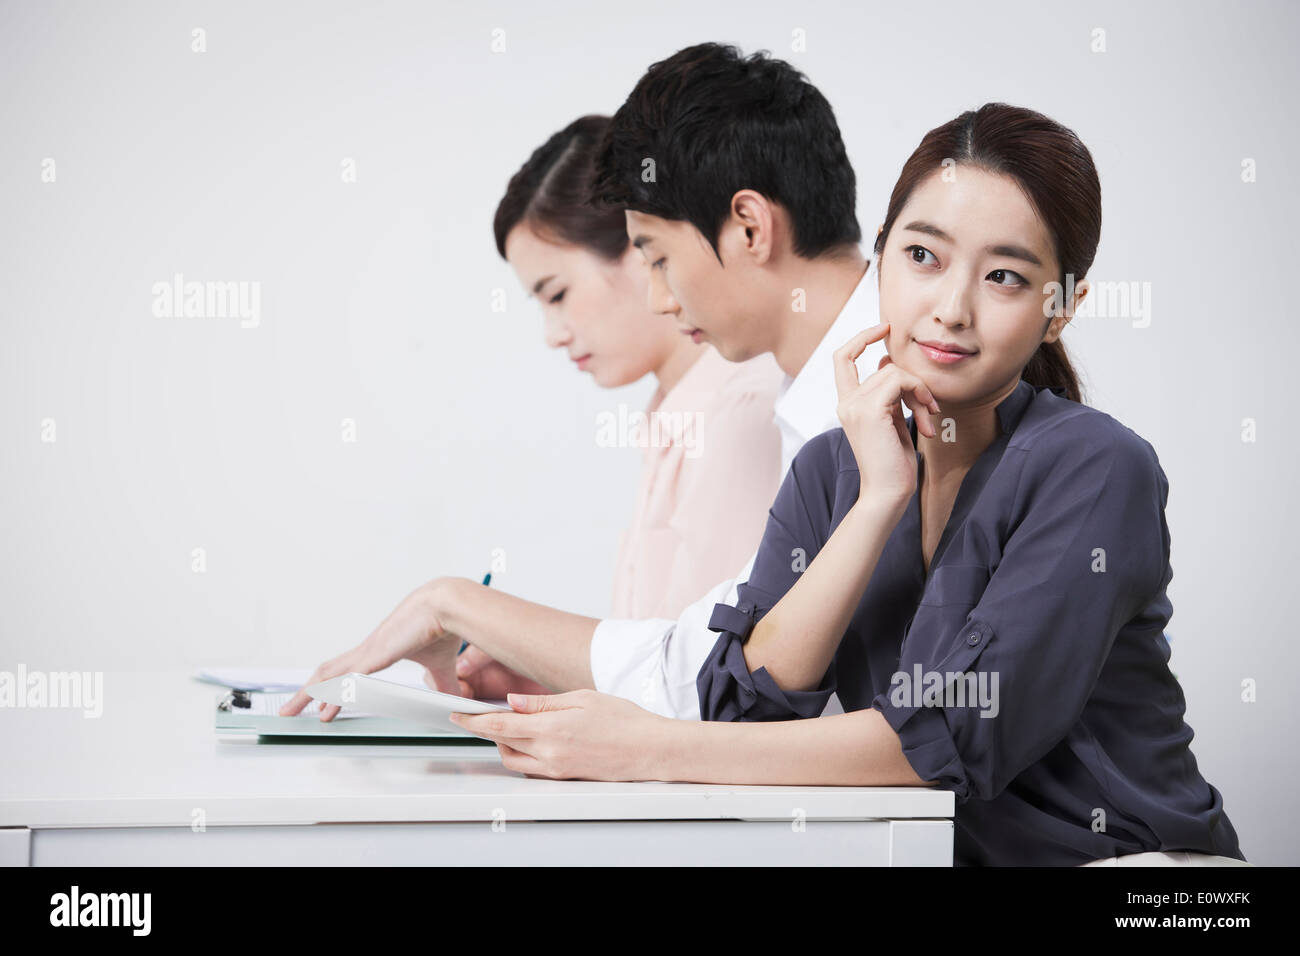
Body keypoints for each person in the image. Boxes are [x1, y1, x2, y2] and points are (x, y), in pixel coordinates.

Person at [449, 103, 1247, 868]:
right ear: (882, 257)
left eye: (1004, 277)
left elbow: (954, 737)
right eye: (922, 257)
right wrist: (876, 503)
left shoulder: (1097, 467)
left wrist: (646, 746)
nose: (951, 310)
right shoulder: (833, 466)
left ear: (1060, 309)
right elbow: (748, 700)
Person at [281, 42, 887, 717]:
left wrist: (457, 604)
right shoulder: (810, 402)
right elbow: (714, 665)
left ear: (749, 226)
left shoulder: (879, 400)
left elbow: (733, 693)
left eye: (656, 257)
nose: (661, 298)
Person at [494, 113, 783, 625]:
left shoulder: (743, 411)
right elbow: (655, 672)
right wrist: (536, 675)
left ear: (641, 246)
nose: (552, 334)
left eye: (557, 294)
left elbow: (712, 685)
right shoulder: (675, 414)